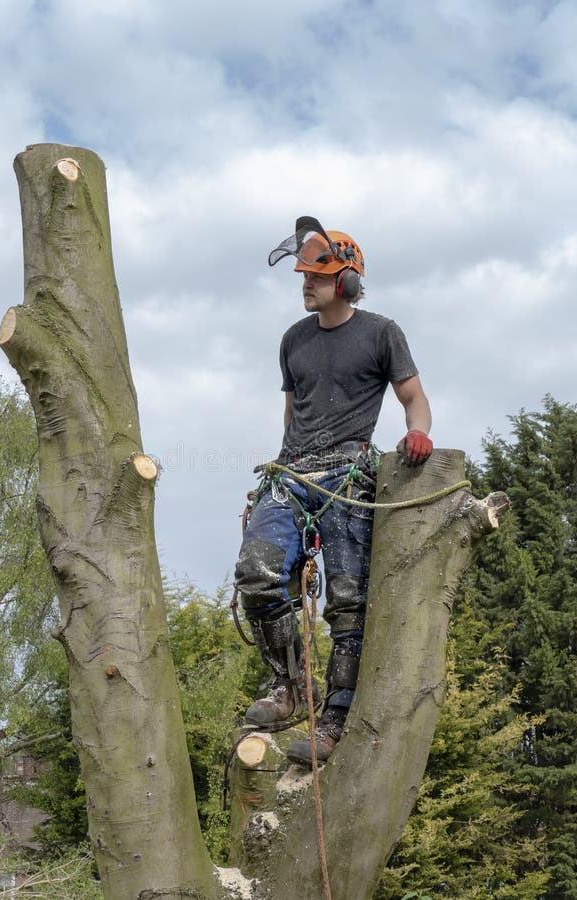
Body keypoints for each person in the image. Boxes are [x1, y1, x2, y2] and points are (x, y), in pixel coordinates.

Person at [234, 216, 432, 766]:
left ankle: (336, 720)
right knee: (257, 570)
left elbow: (414, 398)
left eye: (316, 279)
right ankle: (288, 687)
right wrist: (280, 468)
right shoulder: (293, 340)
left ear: (345, 282)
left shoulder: (381, 332)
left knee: (347, 600)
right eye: (302, 277)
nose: (305, 285)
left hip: (349, 472)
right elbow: (292, 413)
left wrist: (417, 432)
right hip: (294, 472)